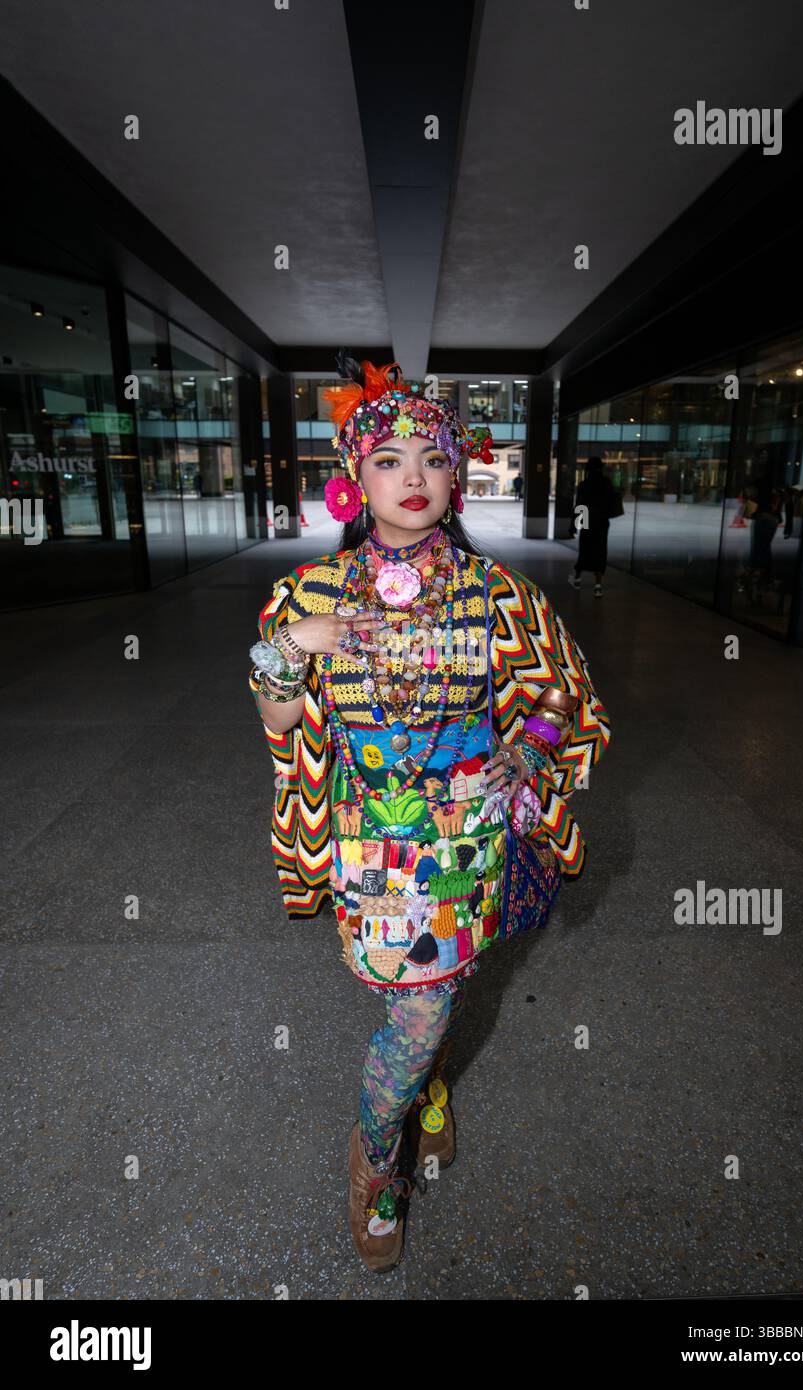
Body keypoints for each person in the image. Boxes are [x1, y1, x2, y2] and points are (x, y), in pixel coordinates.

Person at [248, 354, 612, 1273]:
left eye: (433, 459)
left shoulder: (498, 594)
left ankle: (378, 1154)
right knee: (418, 1004)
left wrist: (524, 751)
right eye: (389, 459)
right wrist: (294, 642)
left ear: (457, 476)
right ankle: (408, 1120)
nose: (413, 478)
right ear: (352, 479)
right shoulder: (312, 594)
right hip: (369, 851)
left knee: (423, 1007)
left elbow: (564, 693)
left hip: (468, 850)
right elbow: (280, 721)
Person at [568, 456, 618, 596]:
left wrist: (573, 527)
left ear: (588, 469)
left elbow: (579, 506)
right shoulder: (607, 484)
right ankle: (598, 586)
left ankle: (577, 579)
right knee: (600, 552)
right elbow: (612, 502)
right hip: (602, 522)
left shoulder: (584, 485)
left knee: (585, 550)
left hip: (587, 520)